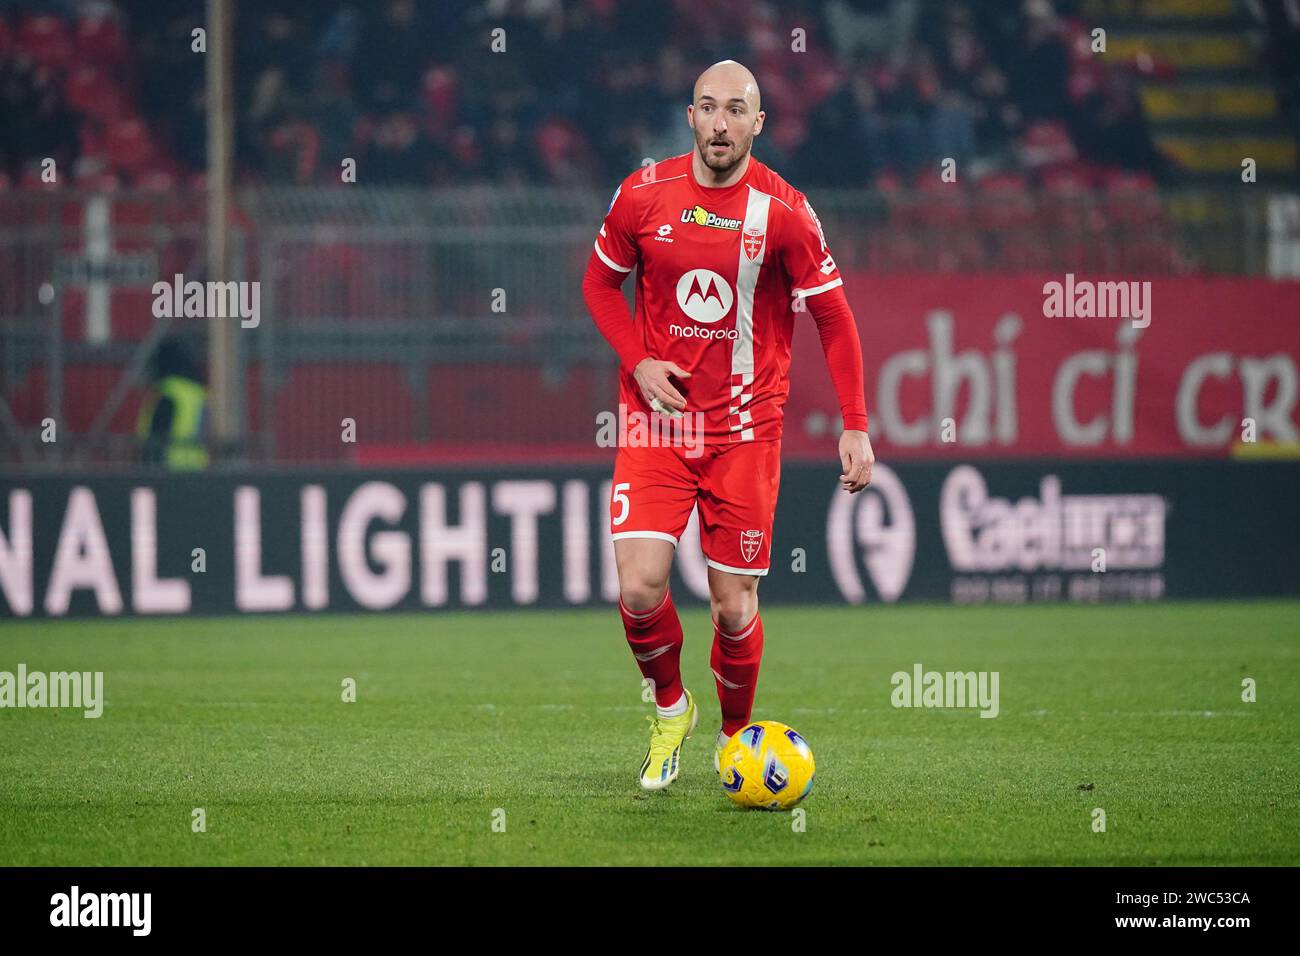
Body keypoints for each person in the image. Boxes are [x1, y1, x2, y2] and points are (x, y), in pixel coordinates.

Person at [582, 60, 875, 791]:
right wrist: (640, 362)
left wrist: (855, 423)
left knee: (732, 602)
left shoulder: (784, 211)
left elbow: (834, 318)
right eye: (708, 109)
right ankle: (671, 707)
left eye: (736, 111)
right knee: (641, 585)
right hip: (660, 423)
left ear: (758, 123)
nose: (720, 123)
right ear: (690, 116)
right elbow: (597, 283)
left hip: (746, 431)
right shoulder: (642, 194)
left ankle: (735, 735)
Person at [136, 336, 209, 470]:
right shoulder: (200, 394)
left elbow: (157, 436)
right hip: (197, 470)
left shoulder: (169, 393)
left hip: (168, 471)